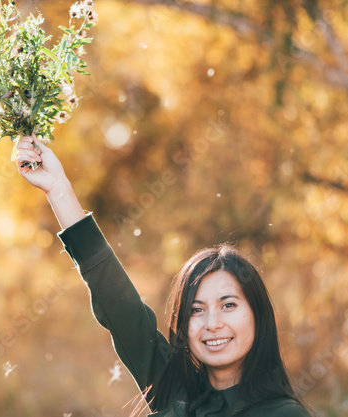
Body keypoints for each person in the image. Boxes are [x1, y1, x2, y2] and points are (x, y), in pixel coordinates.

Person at [15, 136, 312, 416]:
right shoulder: (173, 388)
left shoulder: (283, 413)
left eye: (228, 305)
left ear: (258, 315)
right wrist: (58, 189)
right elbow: (121, 307)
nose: (212, 324)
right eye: (196, 310)